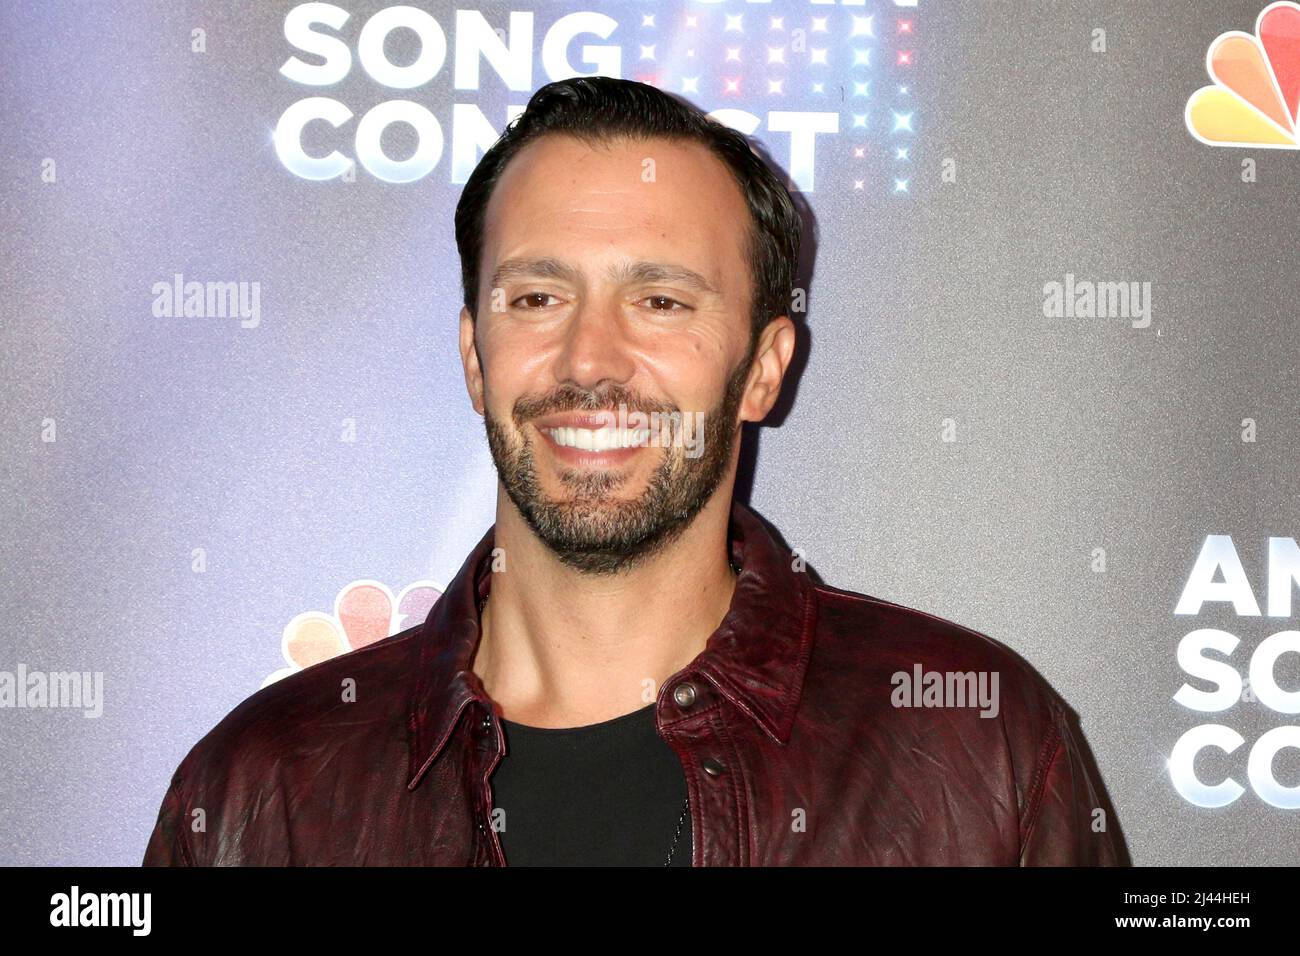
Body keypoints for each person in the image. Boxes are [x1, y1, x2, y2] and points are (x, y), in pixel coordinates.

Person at [143, 76, 1126, 866]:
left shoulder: (975, 744)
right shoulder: (258, 791)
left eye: (660, 301)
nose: (588, 362)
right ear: (475, 356)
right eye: (535, 296)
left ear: (764, 367)